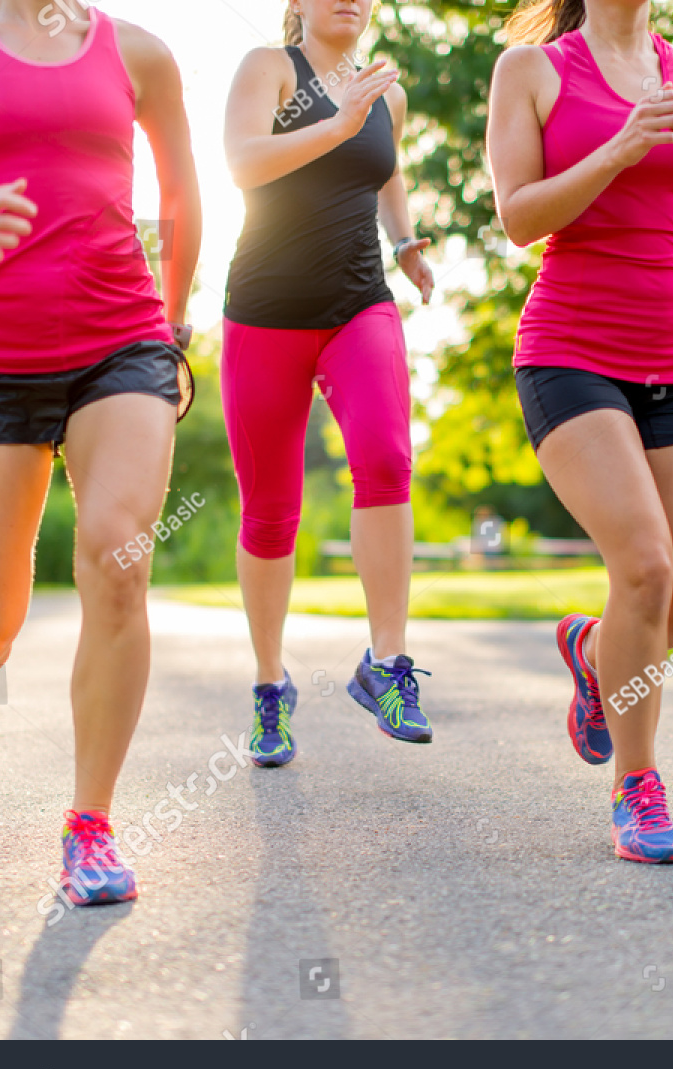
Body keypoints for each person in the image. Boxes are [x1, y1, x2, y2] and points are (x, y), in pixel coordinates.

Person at [0, 0, 201, 904]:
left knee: (117, 559)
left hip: (121, 344)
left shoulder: (139, 52)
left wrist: (171, 323)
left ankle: (90, 826)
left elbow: (179, 194)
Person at [487, 0, 673, 862]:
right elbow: (521, 217)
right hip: (573, 354)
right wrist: (618, 148)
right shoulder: (532, 72)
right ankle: (636, 790)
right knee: (645, 566)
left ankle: (595, 649)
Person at [221, 0, 435, 766]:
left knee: (385, 458)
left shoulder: (388, 90)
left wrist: (406, 242)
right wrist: (336, 123)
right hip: (265, 312)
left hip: (358, 302)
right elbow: (242, 163)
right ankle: (270, 687)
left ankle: (386, 663)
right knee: (272, 510)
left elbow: (386, 172)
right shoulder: (269, 69)